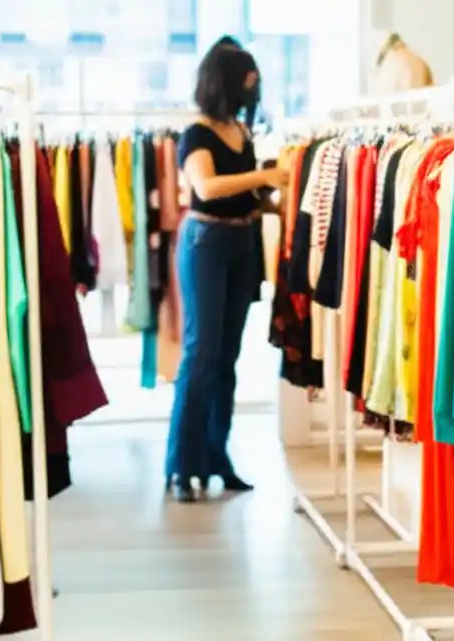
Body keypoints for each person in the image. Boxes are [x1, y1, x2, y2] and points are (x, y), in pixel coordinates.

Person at [165, 40, 289, 503]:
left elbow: (247, 197)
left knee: (226, 359)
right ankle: (182, 465)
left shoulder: (240, 129)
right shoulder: (196, 135)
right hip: (207, 243)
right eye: (246, 80)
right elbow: (207, 186)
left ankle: (217, 458)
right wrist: (263, 178)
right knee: (200, 356)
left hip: (241, 242)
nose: (251, 89)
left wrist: (278, 202)